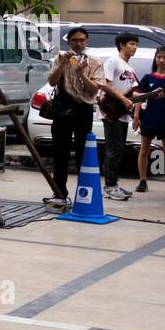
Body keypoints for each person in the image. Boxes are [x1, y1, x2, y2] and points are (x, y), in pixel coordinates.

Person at [44, 26, 105, 210]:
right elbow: (52, 82)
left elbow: (95, 89)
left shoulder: (94, 61)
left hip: (83, 110)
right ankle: (59, 193)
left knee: (82, 153)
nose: (78, 43)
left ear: (87, 42)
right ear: (68, 42)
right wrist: (63, 64)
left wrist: (81, 74)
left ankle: (84, 194)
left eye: (81, 40)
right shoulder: (60, 59)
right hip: (63, 109)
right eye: (74, 40)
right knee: (60, 153)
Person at [98, 32, 141, 201]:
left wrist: (151, 95)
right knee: (113, 150)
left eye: (136, 44)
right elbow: (104, 84)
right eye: (132, 44)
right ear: (122, 45)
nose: (135, 47)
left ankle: (114, 183)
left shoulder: (130, 68)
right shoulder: (113, 61)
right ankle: (109, 186)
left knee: (119, 149)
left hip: (122, 113)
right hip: (111, 112)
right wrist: (122, 99)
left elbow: (133, 92)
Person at [134, 46, 165, 195]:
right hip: (149, 119)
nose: (161, 60)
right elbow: (139, 98)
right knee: (144, 150)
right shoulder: (148, 78)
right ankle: (142, 180)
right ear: (155, 59)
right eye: (159, 57)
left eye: (164, 57)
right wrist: (136, 116)